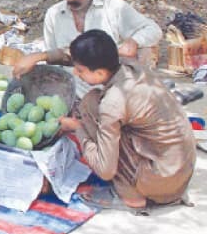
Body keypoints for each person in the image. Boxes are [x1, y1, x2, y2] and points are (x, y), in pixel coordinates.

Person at [59, 30, 195, 211]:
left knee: (93, 118)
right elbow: (74, 57)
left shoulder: (114, 102)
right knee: (91, 101)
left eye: (80, 70)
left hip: (162, 179)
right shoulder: (127, 64)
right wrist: (40, 56)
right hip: (180, 167)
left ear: (99, 73)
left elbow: (105, 170)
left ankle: (131, 196)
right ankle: (150, 186)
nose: (76, 73)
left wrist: (78, 129)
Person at [12, 0, 162, 98]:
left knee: (145, 52)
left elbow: (153, 30)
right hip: (70, 87)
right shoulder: (54, 14)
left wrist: (134, 41)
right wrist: (37, 58)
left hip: (109, 86)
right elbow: (56, 59)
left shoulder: (113, 7)